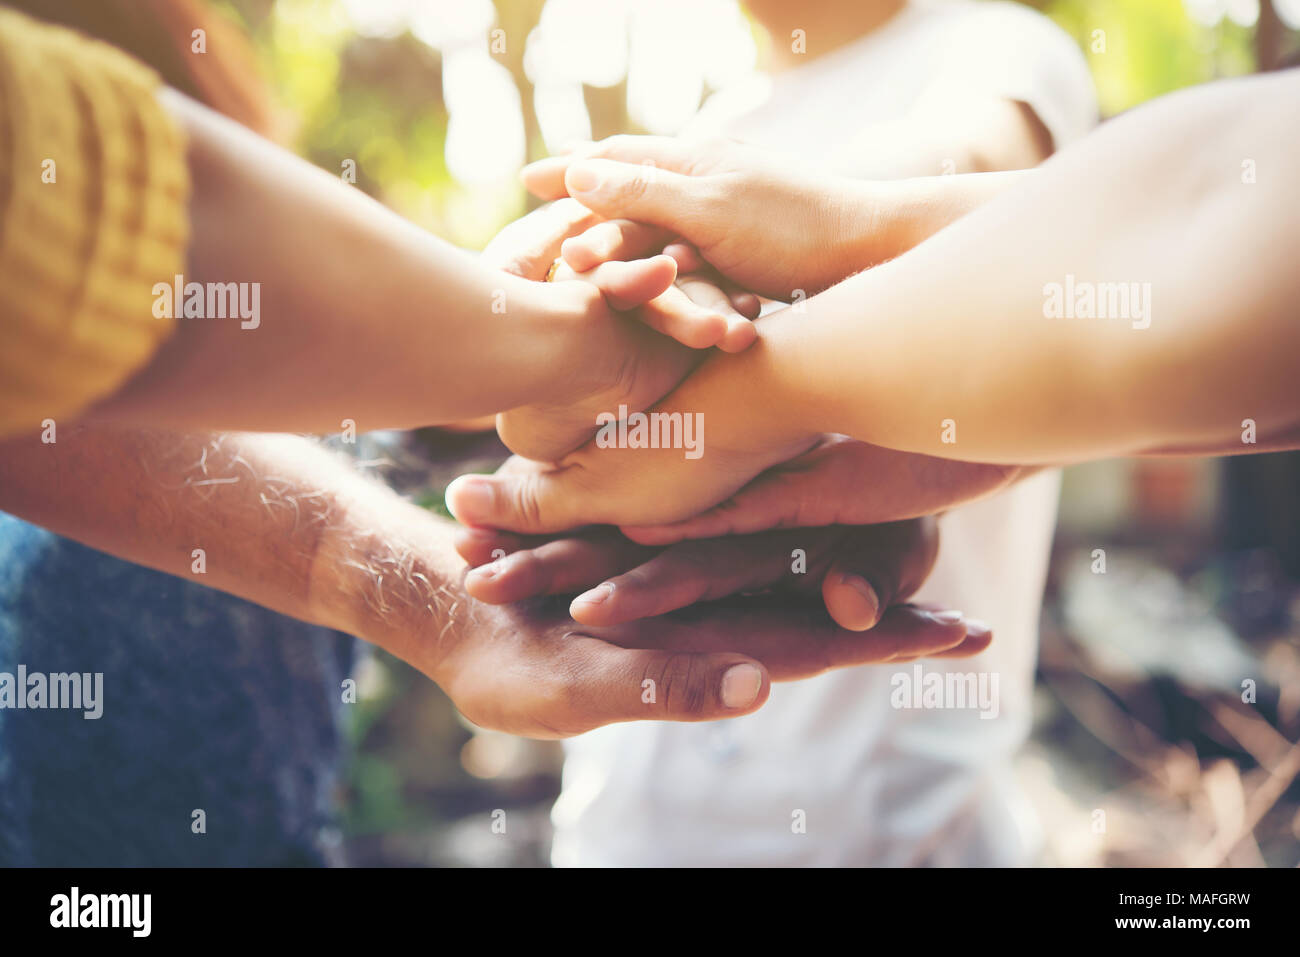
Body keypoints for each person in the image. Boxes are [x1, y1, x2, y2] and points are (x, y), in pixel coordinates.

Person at [451, 0, 1099, 866]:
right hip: (625, 827)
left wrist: (729, 241)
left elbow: (968, 176)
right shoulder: (718, 122)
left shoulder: (1000, 50)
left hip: (890, 830)